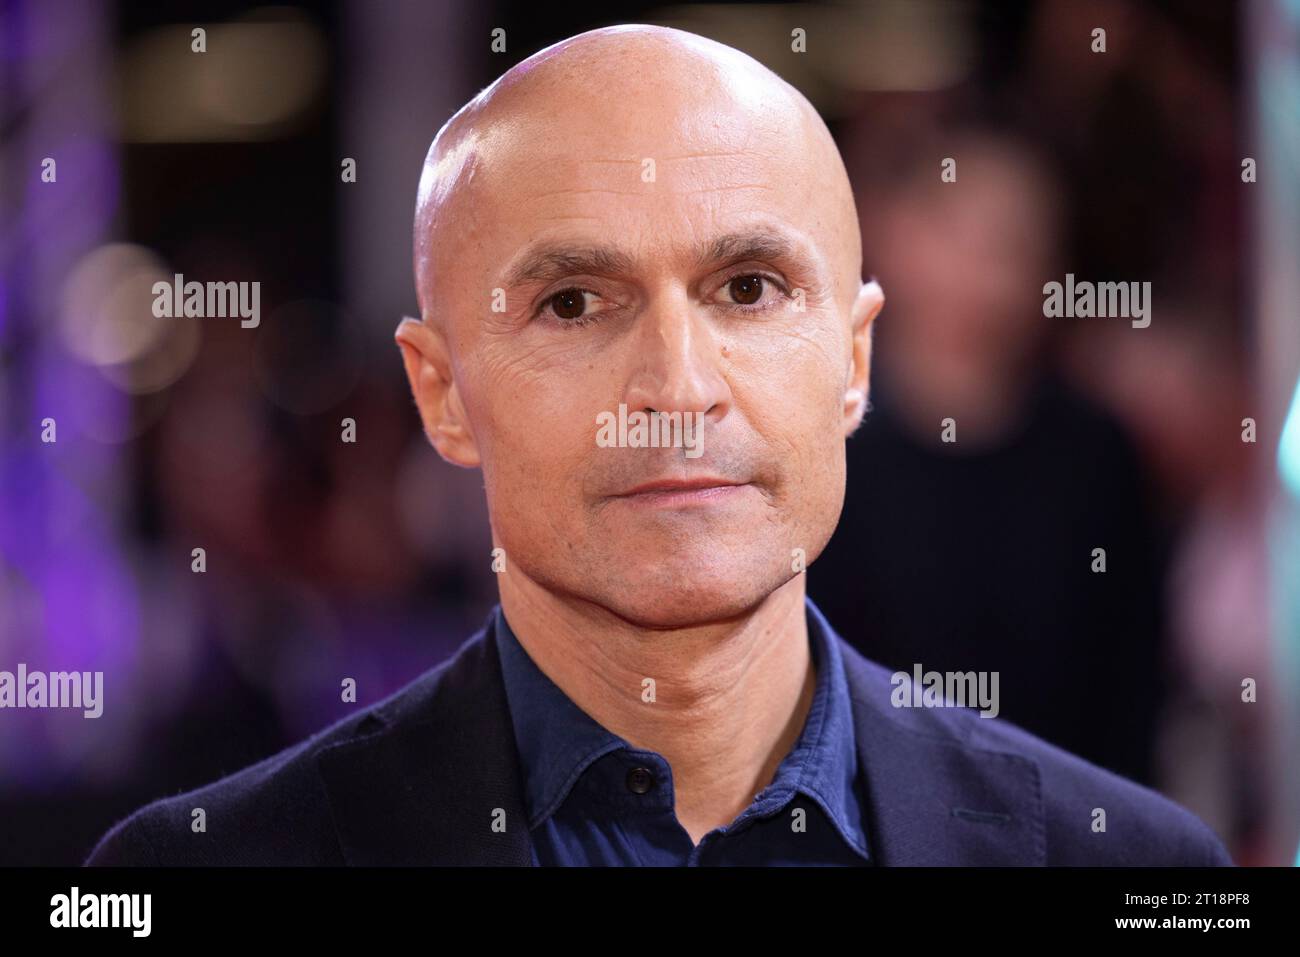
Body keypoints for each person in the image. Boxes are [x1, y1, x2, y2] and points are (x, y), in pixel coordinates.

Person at [86, 24, 1231, 866]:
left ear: (854, 363)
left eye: (746, 288)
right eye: (575, 304)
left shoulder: (1138, 870)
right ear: (439, 394)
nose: (677, 390)